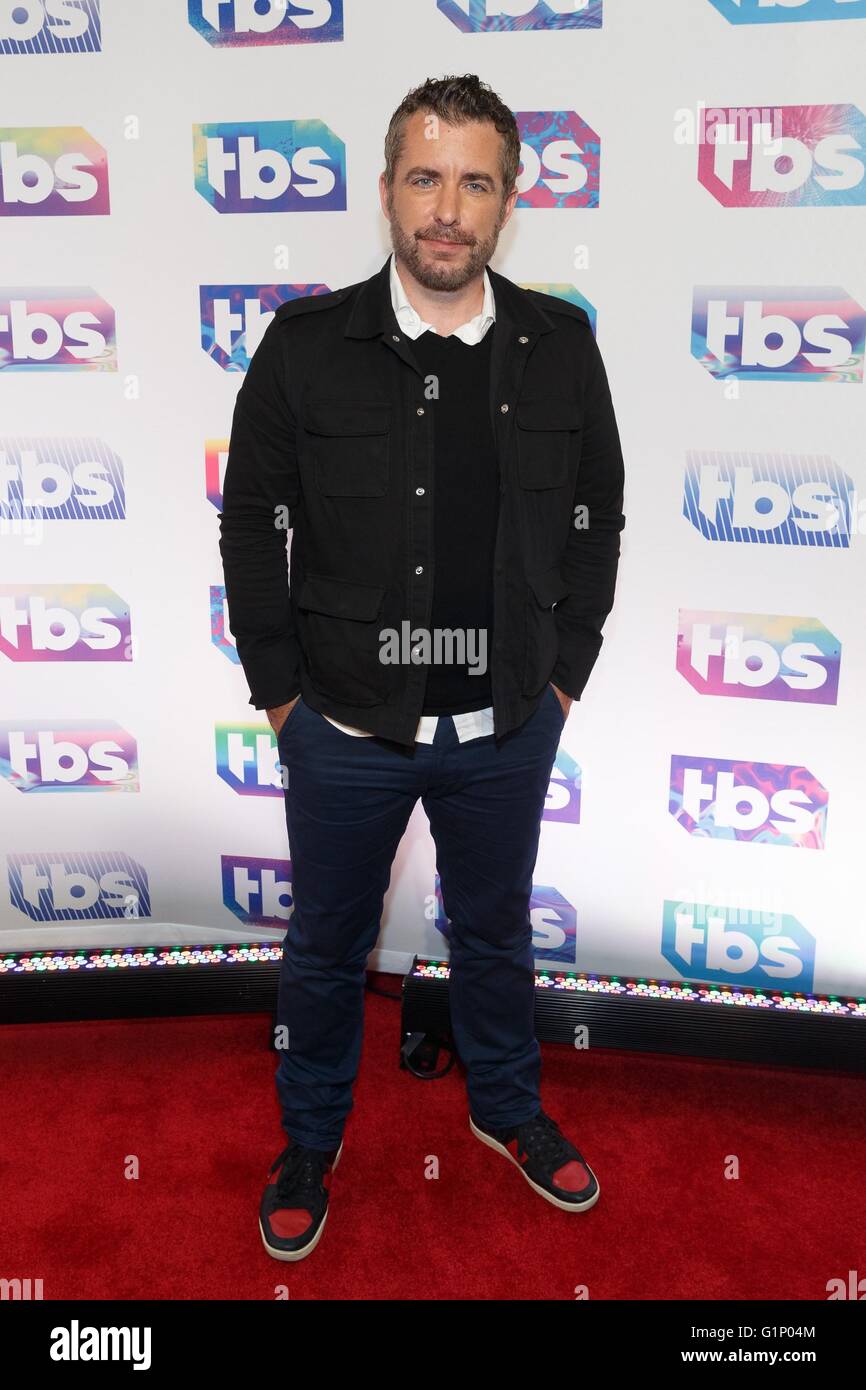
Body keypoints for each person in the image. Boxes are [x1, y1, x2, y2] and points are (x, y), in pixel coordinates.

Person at [218, 73, 626, 1262]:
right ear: (388, 190)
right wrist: (283, 696)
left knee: (494, 933)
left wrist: (567, 673)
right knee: (326, 948)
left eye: (474, 182)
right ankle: (309, 1136)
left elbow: (599, 511)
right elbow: (252, 521)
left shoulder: (560, 344)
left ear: (508, 202)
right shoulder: (303, 348)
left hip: (506, 724)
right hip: (341, 727)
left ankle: (504, 1112)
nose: (446, 208)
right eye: (424, 177)